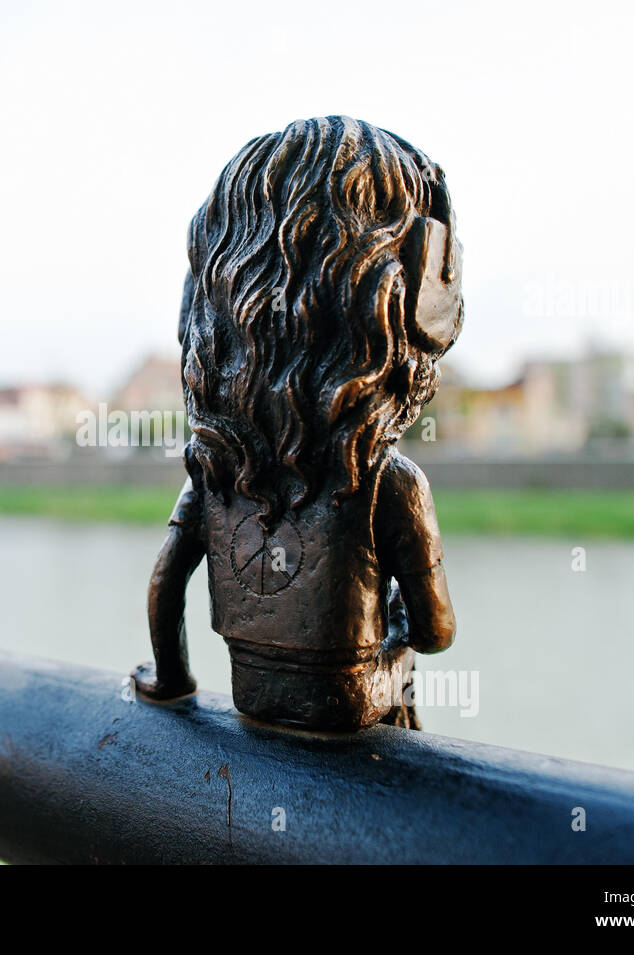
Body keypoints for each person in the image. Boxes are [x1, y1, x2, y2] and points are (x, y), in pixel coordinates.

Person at [134, 115, 462, 731]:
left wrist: (170, 681)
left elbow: (164, 585)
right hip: (358, 704)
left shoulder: (216, 473)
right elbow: (434, 630)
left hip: (248, 693)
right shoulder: (389, 482)